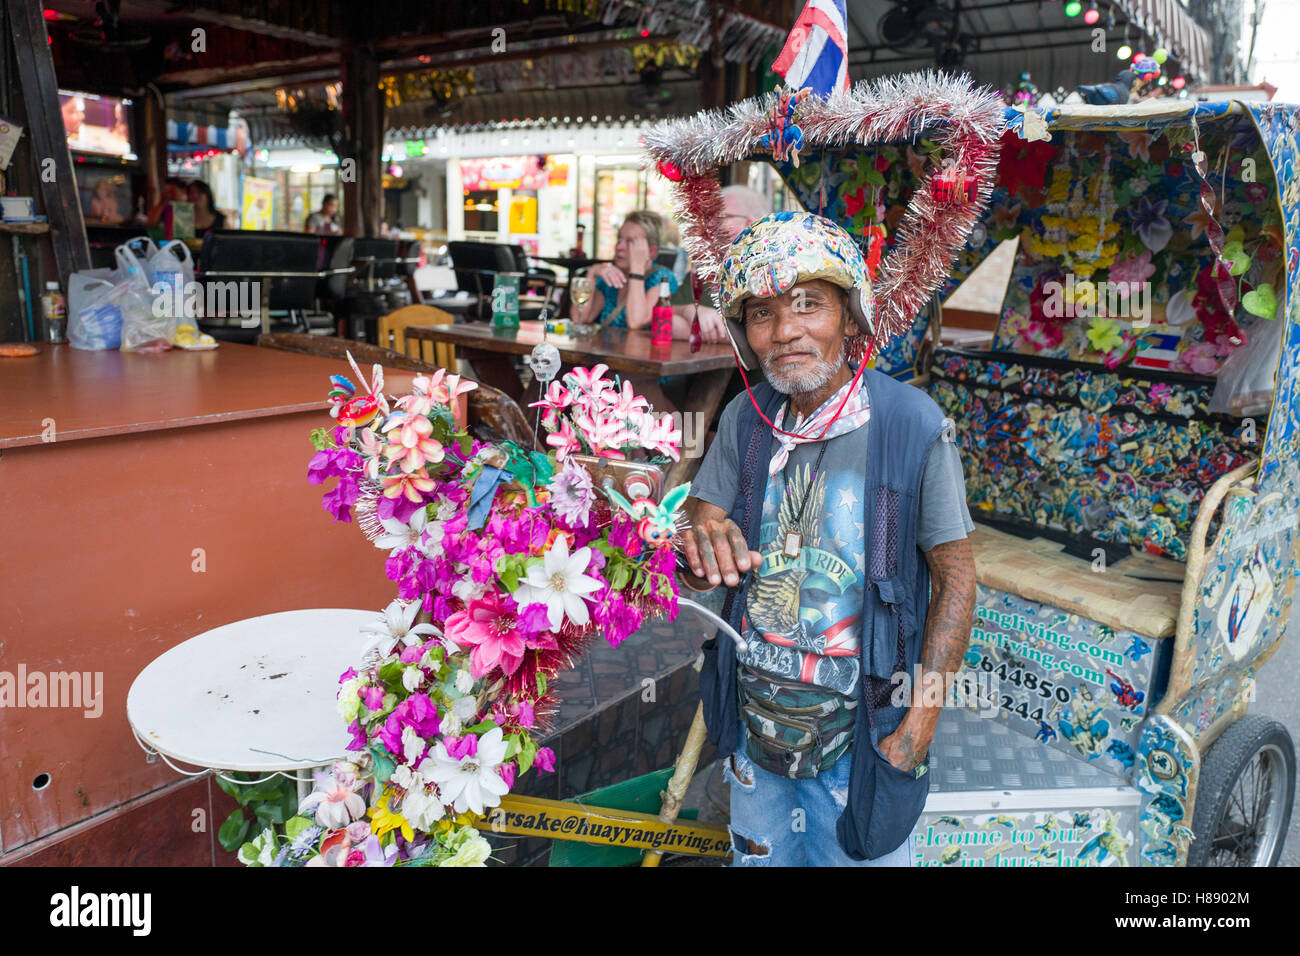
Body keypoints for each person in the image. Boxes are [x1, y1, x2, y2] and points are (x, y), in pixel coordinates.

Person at [679, 211, 976, 867]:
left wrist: (920, 723)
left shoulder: (910, 425)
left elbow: (957, 579)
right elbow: (696, 546)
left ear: (850, 316)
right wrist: (700, 546)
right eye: (761, 313)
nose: (785, 331)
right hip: (758, 730)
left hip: (865, 739)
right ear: (744, 334)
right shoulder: (745, 419)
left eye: (808, 304)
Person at [672, 184, 773, 345]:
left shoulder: (773, 270)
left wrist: (708, 331)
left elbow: (765, 336)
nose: (709, 225)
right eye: (708, 218)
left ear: (749, 224)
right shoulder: (706, 267)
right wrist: (688, 310)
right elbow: (664, 320)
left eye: (720, 217)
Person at [571, 210, 678, 331]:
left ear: (651, 251)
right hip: (607, 349)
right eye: (619, 239)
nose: (619, 247)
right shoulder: (612, 278)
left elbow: (636, 322)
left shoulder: (662, 277)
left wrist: (637, 267)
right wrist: (592, 274)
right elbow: (579, 319)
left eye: (630, 242)